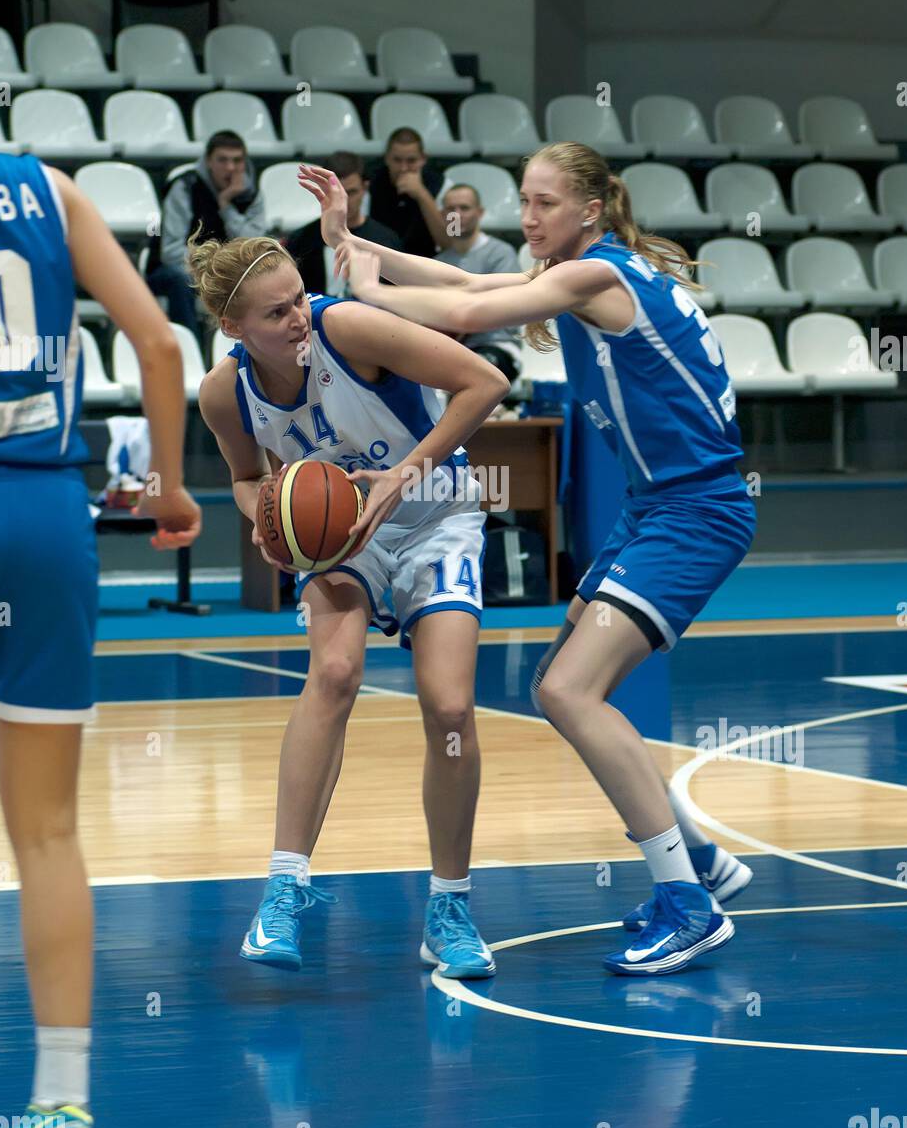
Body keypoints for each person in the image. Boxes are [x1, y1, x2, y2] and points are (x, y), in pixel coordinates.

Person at [299, 146, 757, 977]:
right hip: (654, 507)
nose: (529, 217)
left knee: (566, 691)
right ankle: (701, 863)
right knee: (563, 681)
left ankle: (687, 906)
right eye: (524, 200)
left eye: (545, 203)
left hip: (694, 512)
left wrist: (368, 286)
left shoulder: (597, 276)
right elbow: (465, 283)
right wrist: (351, 243)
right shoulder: (588, 272)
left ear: (590, 211)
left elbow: (465, 309)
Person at [193, 234, 509, 978]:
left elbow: (484, 382)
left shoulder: (349, 328)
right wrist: (267, 520)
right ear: (234, 328)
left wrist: (405, 472)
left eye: (299, 298)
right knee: (334, 672)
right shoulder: (222, 392)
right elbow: (246, 476)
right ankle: (283, 891)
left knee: (450, 707)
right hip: (340, 534)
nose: (298, 317)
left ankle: (449, 908)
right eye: (277, 313)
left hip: (435, 511)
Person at [0, 152, 201, 1128]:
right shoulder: (49, 189)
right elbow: (158, 345)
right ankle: (60, 1101)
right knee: (47, 832)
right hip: (41, 513)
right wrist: (168, 487)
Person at [147, 130, 267, 336]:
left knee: (261, 276)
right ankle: (188, 348)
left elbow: (252, 249)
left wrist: (226, 205)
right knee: (180, 280)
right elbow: (171, 252)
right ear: (208, 161)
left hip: (224, 272)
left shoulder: (252, 194)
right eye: (222, 160)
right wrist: (213, 268)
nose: (230, 167)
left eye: (237, 160)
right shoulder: (185, 187)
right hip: (176, 270)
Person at [434, 182, 523, 380]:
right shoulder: (439, 262)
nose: (457, 215)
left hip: (496, 345)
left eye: (464, 208)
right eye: (451, 209)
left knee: (470, 373)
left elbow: (501, 308)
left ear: (479, 212)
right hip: (450, 349)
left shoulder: (501, 253)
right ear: (443, 215)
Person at [283, 150, 402, 295]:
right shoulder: (301, 241)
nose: (345, 200)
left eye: (351, 192)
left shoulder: (386, 240)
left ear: (365, 188)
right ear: (324, 190)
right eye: (337, 193)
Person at [367, 128, 449, 256]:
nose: (403, 168)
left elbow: (453, 241)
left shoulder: (445, 185)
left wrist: (422, 195)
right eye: (397, 160)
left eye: (411, 161)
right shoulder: (369, 185)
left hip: (429, 262)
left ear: (423, 159)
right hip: (380, 260)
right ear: (387, 158)